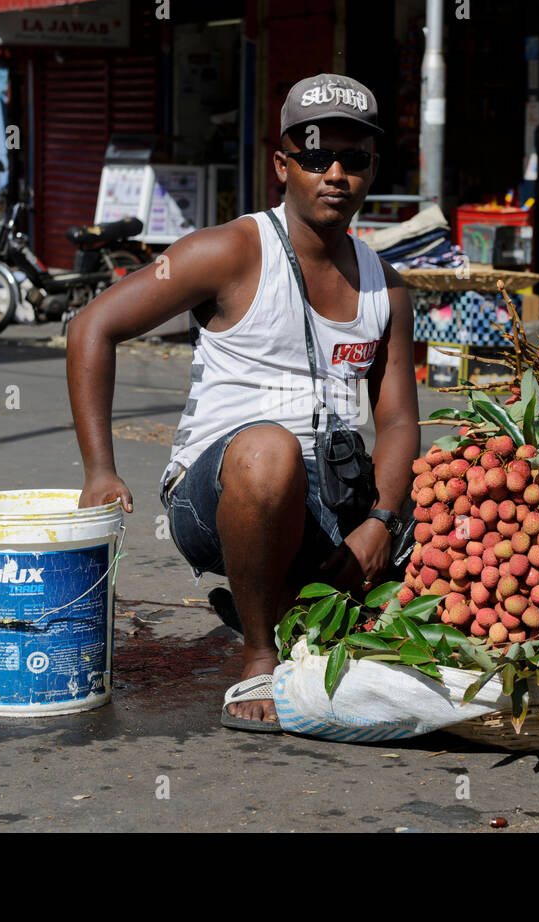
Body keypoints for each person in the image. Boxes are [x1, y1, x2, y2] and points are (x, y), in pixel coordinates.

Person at [66, 74, 419, 732]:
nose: (335, 173)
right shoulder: (230, 251)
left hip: (332, 500)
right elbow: (94, 327)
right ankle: (260, 653)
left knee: (471, 485)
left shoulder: (388, 289)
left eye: (354, 158)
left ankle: (291, 602)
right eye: (315, 157)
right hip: (225, 492)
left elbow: (399, 421)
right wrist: (99, 470)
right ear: (283, 166)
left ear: (372, 170)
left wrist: (381, 520)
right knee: (268, 450)